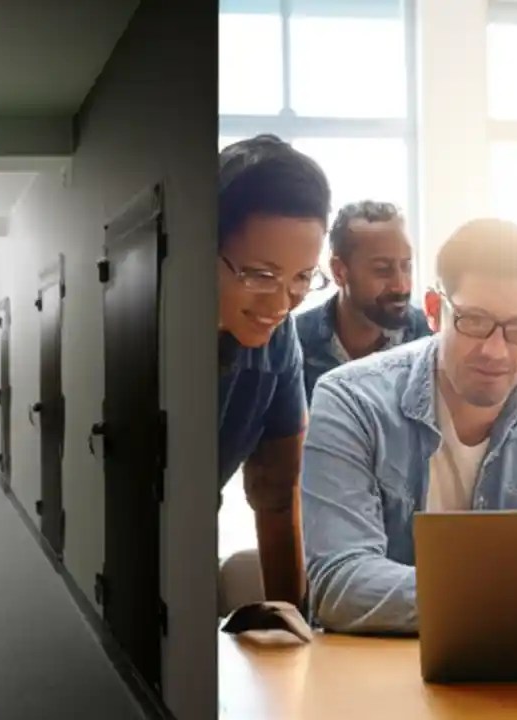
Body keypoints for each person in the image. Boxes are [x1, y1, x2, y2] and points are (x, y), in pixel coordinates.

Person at [301, 218, 517, 635]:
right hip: (383, 663)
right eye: (473, 321)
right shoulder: (351, 400)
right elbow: (339, 584)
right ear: (434, 310)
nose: (495, 351)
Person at [218, 134, 331, 609]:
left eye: (302, 277)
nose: (282, 303)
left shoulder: (279, 343)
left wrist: (293, 621)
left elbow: (278, 494)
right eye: (261, 274)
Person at [294, 200, 431, 401]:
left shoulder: (429, 340)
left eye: (406, 266)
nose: (401, 286)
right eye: (382, 269)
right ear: (339, 272)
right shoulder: (294, 344)